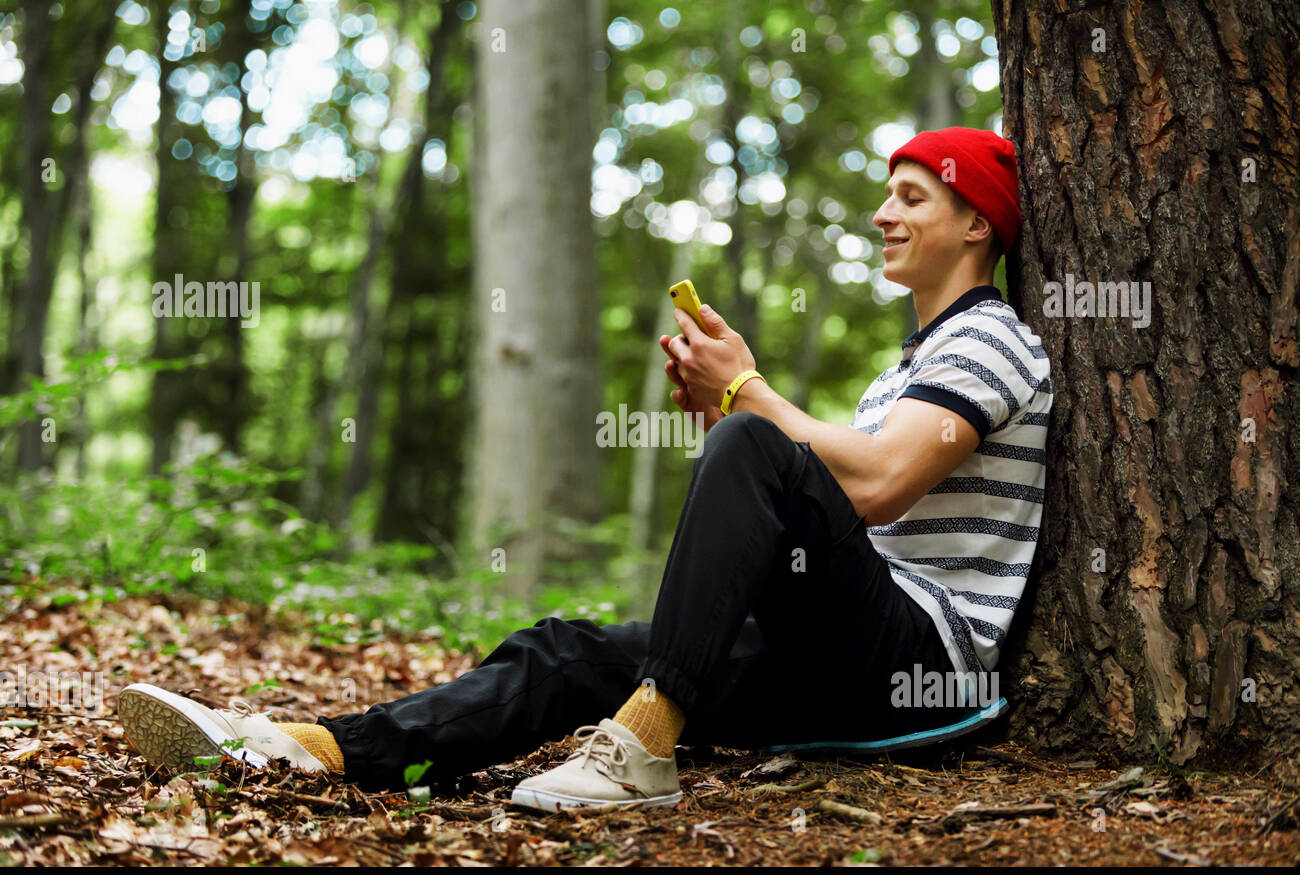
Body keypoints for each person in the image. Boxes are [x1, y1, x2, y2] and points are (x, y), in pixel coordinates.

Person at [117, 126, 1051, 813]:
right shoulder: (905, 369)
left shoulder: (994, 341)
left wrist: (750, 402)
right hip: (841, 652)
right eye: (888, 193)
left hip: (924, 667)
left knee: (749, 442)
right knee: (562, 652)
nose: (883, 213)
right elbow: (838, 500)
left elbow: (885, 483)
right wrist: (737, 414)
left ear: (977, 226)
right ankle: (306, 749)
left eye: (914, 197)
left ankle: (643, 747)